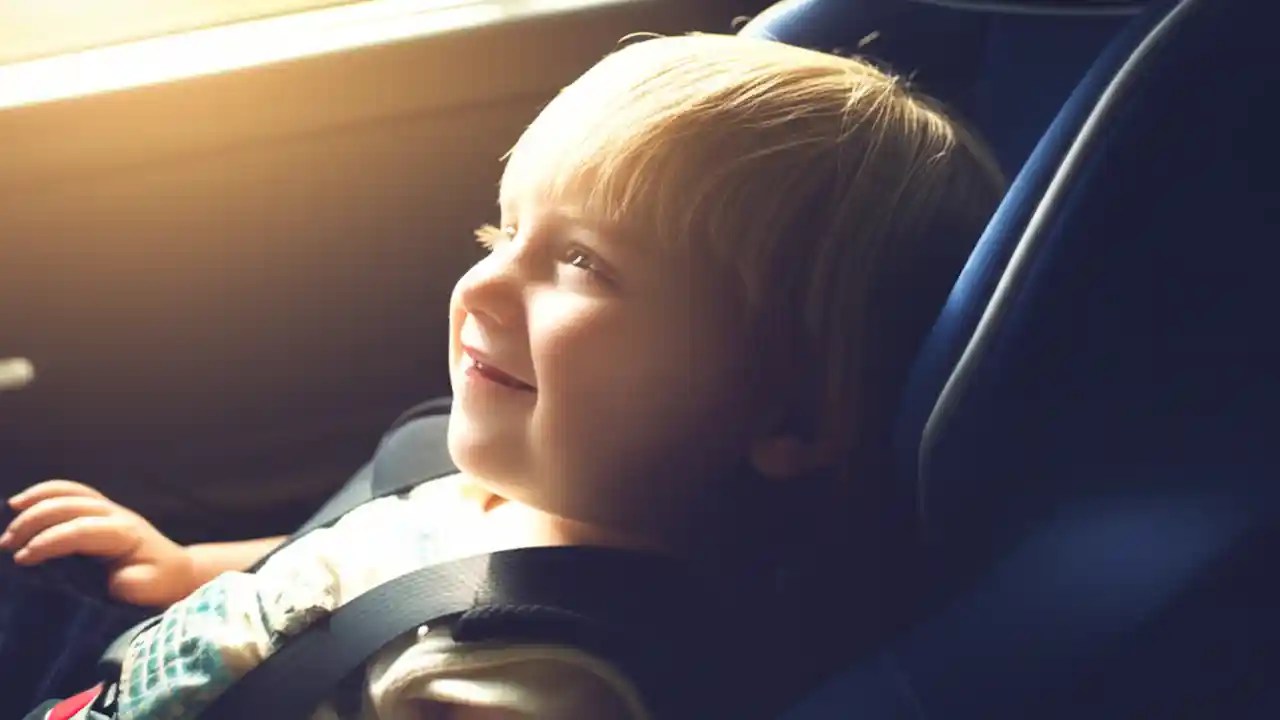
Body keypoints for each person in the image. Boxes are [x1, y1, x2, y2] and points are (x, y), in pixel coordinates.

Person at [4, 32, 1005, 719]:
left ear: (784, 414)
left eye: (584, 265)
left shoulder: (542, 676)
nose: (482, 283)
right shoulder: (511, 489)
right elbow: (343, 564)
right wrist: (184, 568)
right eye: (504, 229)